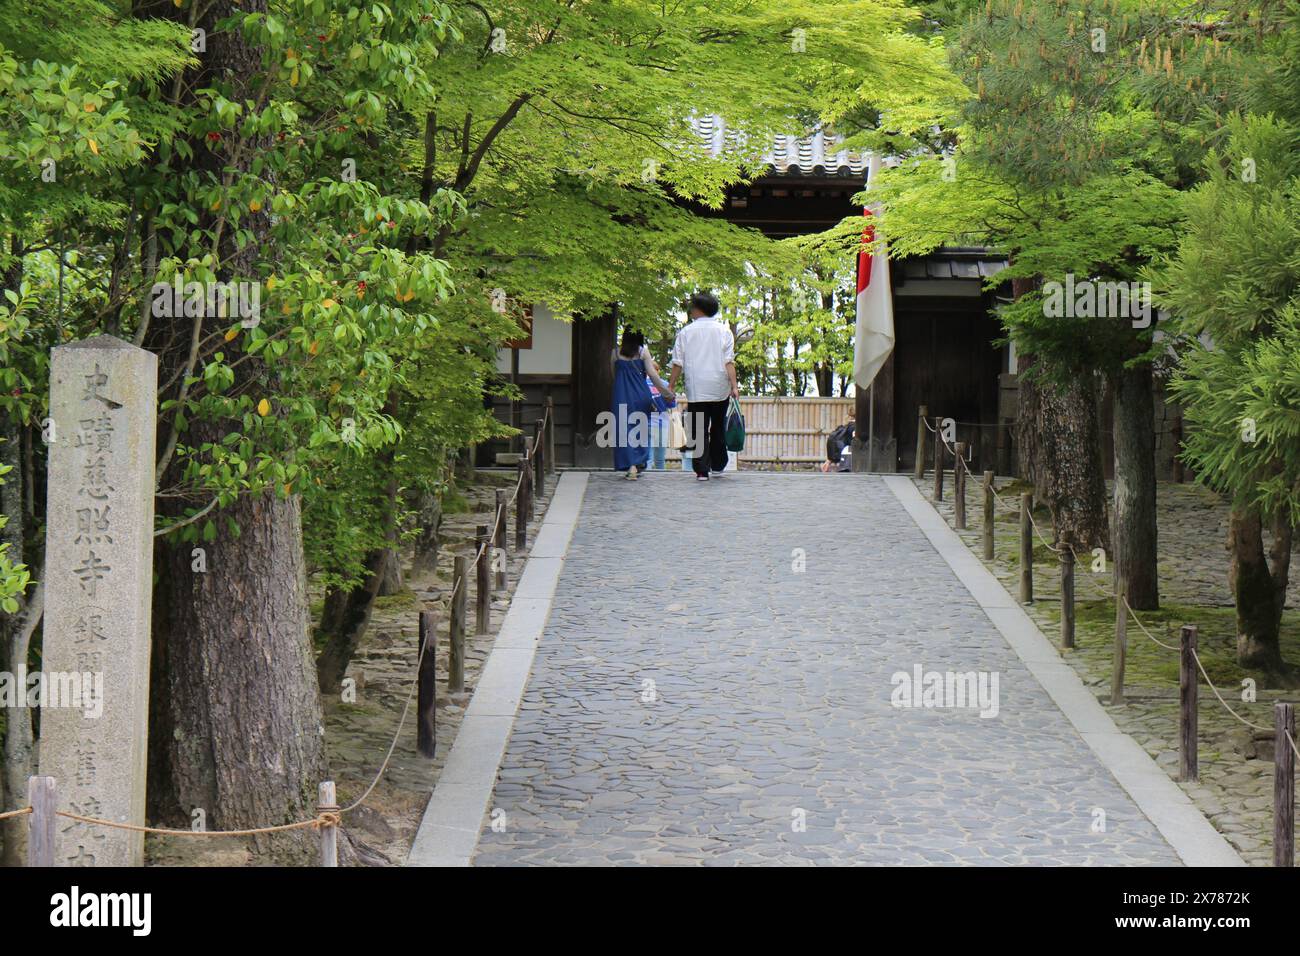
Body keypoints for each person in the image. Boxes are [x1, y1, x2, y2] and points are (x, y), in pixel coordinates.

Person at [668, 291, 738, 482]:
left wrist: (671, 385)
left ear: (698, 309)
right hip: (719, 387)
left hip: (697, 388)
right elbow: (728, 362)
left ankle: (701, 470)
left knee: (698, 428)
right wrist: (734, 385)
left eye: (692, 307)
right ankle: (718, 464)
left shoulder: (685, 332)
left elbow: (677, 363)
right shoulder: (724, 331)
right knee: (717, 427)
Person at [610, 330, 673, 480]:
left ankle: (630, 465)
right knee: (640, 429)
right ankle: (637, 463)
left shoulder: (615, 353)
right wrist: (666, 393)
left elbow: (613, 375)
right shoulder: (643, 352)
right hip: (641, 395)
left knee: (623, 432)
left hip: (621, 395)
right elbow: (653, 375)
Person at [646, 376, 675, 470]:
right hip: (661, 424)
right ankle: (661, 478)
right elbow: (671, 404)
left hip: (644, 423)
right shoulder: (665, 384)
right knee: (660, 459)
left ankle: (646, 480)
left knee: (647, 458)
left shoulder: (640, 383)